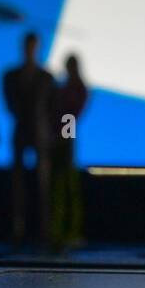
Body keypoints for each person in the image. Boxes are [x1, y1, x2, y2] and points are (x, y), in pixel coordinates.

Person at [3, 32, 57, 246]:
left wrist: (55, 132)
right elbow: (9, 103)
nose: (30, 50)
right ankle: (18, 227)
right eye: (28, 46)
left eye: (33, 46)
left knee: (43, 182)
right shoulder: (11, 76)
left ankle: (44, 228)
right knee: (18, 182)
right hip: (21, 130)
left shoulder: (46, 77)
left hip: (40, 132)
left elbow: (53, 107)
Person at [50, 54, 89, 251]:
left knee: (67, 185)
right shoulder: (65, 88)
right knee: (59, 185)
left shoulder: (76, 89)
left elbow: (71, 114)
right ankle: (57, 232)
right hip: (60, 138)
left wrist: (64, 134)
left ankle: (71, 232)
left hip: (66, 139)